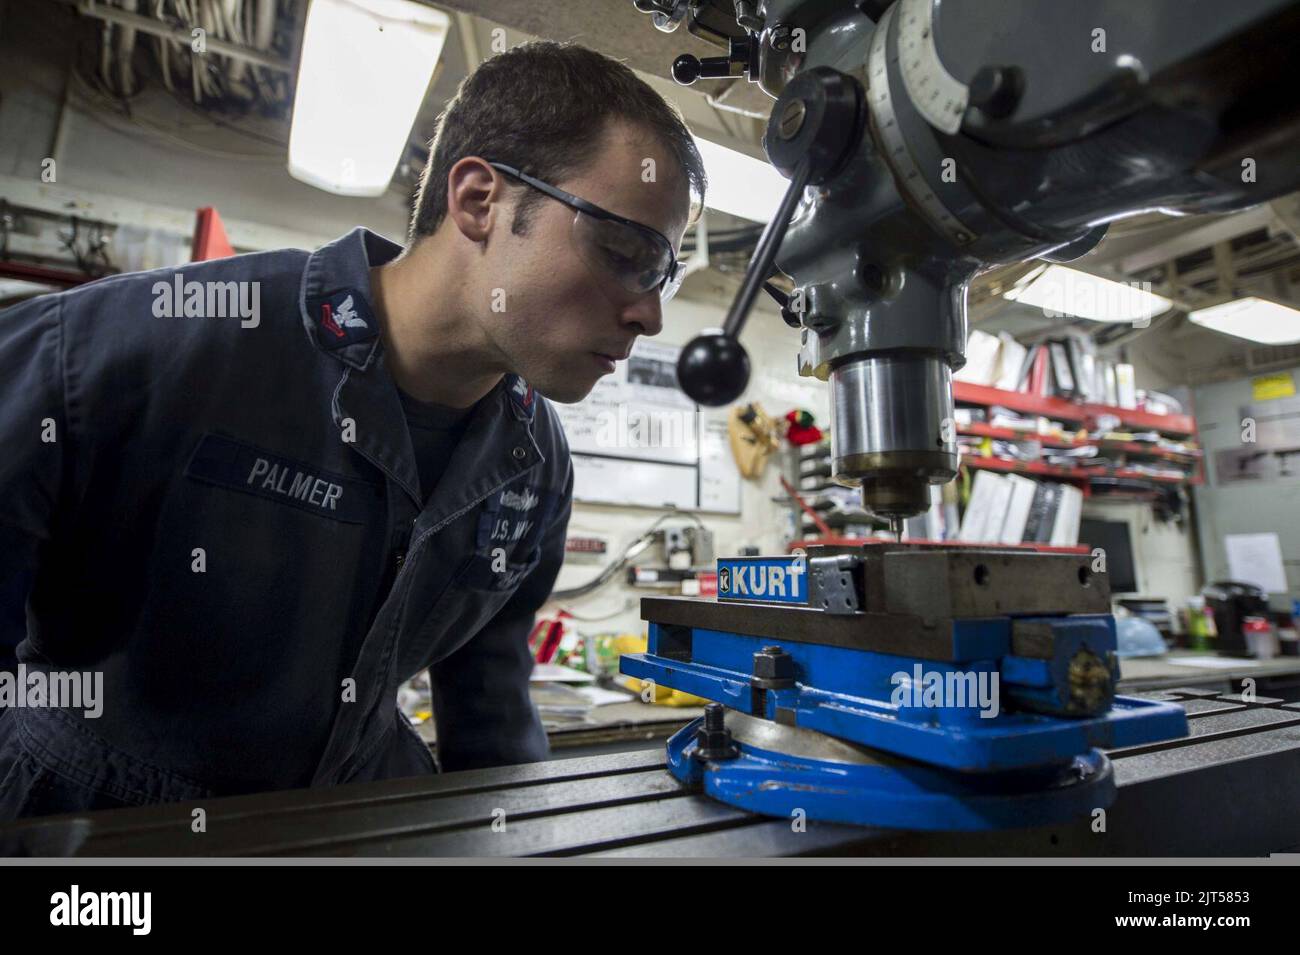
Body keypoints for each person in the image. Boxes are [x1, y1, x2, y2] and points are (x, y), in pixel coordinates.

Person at [0, 40, 706, 821]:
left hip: (353, 818)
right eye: (627, 253)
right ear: (479, 201)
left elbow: (489, 700)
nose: (651, 313)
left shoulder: (533, 462)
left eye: (663, 272)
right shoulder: (144, 349)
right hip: (90, 830)